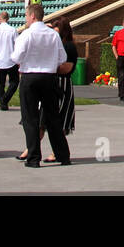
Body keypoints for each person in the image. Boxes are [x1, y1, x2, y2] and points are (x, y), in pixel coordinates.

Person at [11, 5, 73, 168]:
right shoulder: (53, 35)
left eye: (26, 15)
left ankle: (33, 158)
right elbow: (62, 57)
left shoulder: (26, 34)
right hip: (49, 77)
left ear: (32, 16)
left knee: (30, 118)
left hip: (30, 76)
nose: (25, 18)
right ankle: (63, 155)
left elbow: (16, 57)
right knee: (53, 118)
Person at [36, 17, 78, 162]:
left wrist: (48, 67)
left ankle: (57, 152)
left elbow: (66, 68)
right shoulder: (54, 43)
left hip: (62, 85)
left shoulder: (69, 47)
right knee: (42, 118)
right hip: (50, 83)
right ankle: (31, 148)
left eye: (57, 31)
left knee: (59, 121)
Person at [0, 11, 20, 112]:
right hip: (11, 59)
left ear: (0, 18)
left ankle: (3, 101)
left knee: (0, 84)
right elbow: (17, 44)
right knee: (14, 82)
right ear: (8, 18)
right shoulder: (12, 30)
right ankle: (5, 100)